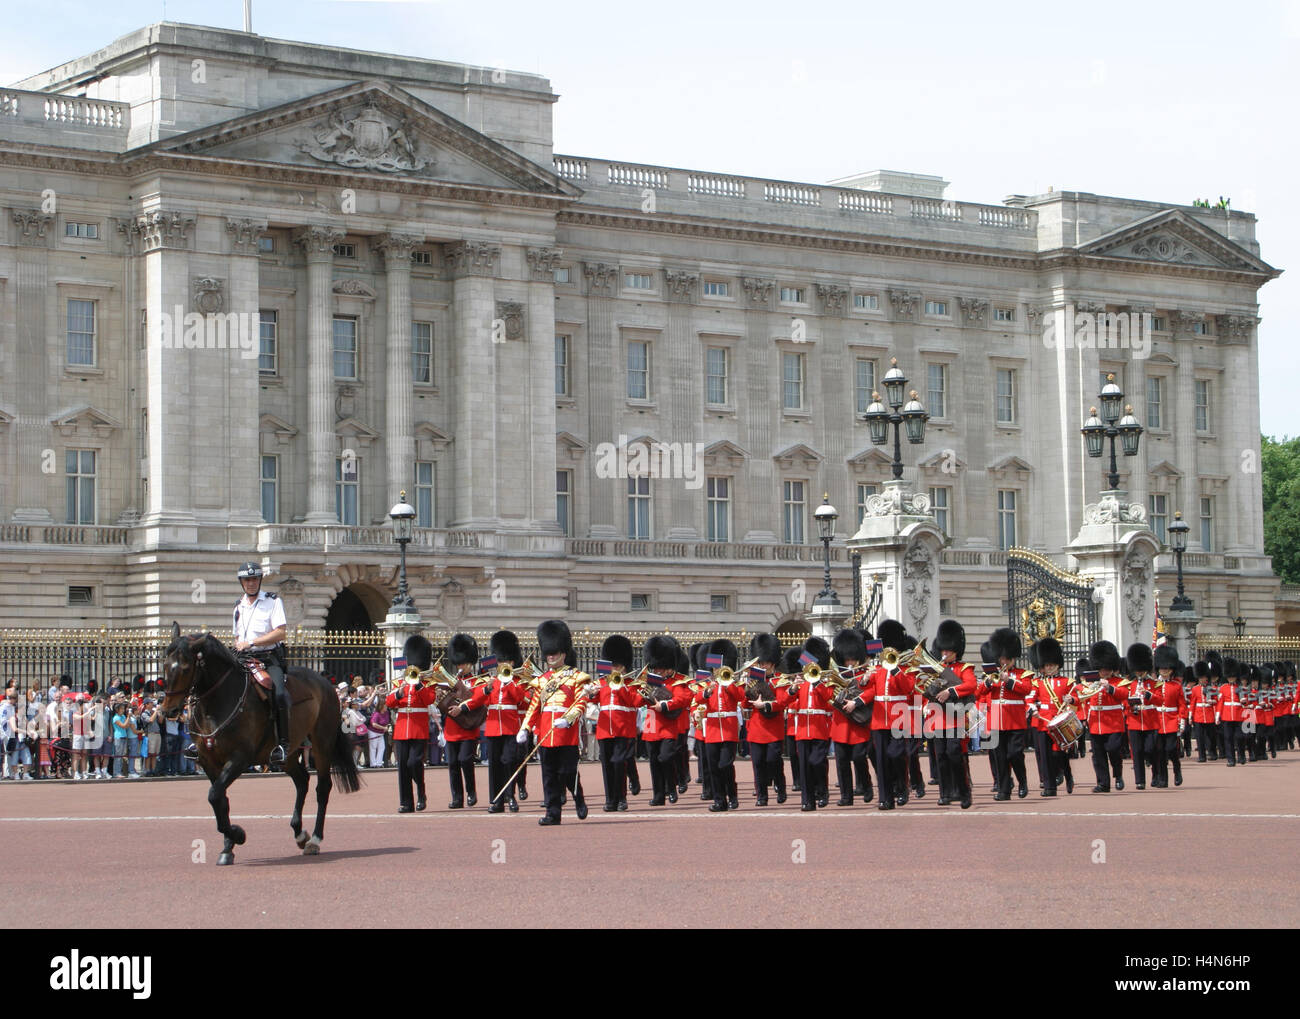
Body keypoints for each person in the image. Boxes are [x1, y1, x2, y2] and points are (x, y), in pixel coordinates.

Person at [518, 620, 590, 826]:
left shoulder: (576, 677)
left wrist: (567, 720)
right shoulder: (541, 680)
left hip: (566, 733)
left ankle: (579, 798)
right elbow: (534, 707)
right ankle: (553, 813)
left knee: (568, 772)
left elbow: (581, 703)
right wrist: (525, 727)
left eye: (554, 652)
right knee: (549, 775)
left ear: (563, 653)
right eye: (548, 653)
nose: (550, 656)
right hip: (546, 733)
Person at [464, 630, 531, 813]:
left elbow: (521, 699)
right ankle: (497, 800)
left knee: (509, 761)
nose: (504, 664)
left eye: (507, 661)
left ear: (512, 662)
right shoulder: (490, 681)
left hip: (510, 728)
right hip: (493, 728)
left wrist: (509, 683)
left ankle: (511, 796)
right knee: (494, 765)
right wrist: (486, 689)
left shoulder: (517, 682)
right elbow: (476, 699)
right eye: (501, 661)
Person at [926, 620, 978, 809]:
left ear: (956, 650)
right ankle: (946, 793)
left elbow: (971, 685)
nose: (944, 653)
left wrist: (951, 691)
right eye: (943, 650)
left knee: (955, 755)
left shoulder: (964, 668)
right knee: (941, 757)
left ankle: (964, 793)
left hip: (955, 719)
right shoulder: (935, 671)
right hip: (938, 720)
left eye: (948, 651)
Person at [385, 634, 438, 813]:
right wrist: (399, 693)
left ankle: (421, 792)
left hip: (418, 728)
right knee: (402, 767)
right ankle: (406, 802)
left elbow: (430, 699)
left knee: (414, 763)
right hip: (401, 729)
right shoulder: (399, 682)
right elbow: (389, 702)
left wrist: (418, 686)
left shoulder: (427, 683)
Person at [984, 627, 1033, 800]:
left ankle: (1023, 781)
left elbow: (1026, 689)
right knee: (1000, 756)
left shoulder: (1023, 674)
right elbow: (978, 692)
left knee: (1014, 754)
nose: (1003, 661)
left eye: (1006, 658)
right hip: (997, 721)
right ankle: (1004, 790)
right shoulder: (991, 674)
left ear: (1013, 658)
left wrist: (1009, 680)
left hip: (1015, 721)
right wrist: (988, 683)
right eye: (1001, 658)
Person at [829, 628, 873, 807]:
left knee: (859, 757)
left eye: (853, 659)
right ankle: (846, 796)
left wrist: (857, 702)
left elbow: (873, 692)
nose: (850, 662)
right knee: (842, 762)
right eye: (847, 659)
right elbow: (827, 696)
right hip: (840, 723)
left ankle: (866, 784)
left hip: (858, 724)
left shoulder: (865, 673)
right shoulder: (834, 674)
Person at [743, 633, 787, 806]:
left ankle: (780, 785)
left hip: (773, 727)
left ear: (773, 663)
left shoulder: (779, 680)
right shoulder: (753, 681)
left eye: (766, 663)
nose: (763, 666)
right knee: (758, 763)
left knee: (772, 760)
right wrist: (747, 692)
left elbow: (782, 701)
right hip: (756, 728)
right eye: (761, 663)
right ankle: (762, 796)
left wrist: (767, 705)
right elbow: (745, 704)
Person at [440, 633, 481, 809]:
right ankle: (457, 797)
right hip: (451, 727)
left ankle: (471, 791)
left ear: (470, 663)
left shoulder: (477, 680)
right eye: (458, 663)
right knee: (453, 764)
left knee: (465, 760)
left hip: (468, 728)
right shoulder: (450, 682)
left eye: (463, 663)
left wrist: (459, 689)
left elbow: (477, 699)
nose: (460, 666)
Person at [1084, 640, 1128, 792]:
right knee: (1098, 755)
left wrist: (1110, 688)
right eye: (1102, 669)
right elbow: (1083, 697)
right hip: (1096, 722)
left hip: (1114, 721)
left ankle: (1118, 775)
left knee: (1114, 749)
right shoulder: (1091, 683)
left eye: (1108, 669)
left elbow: (1124, 694)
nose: (1105, 672)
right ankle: (1103, 783)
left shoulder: (1120, 682)